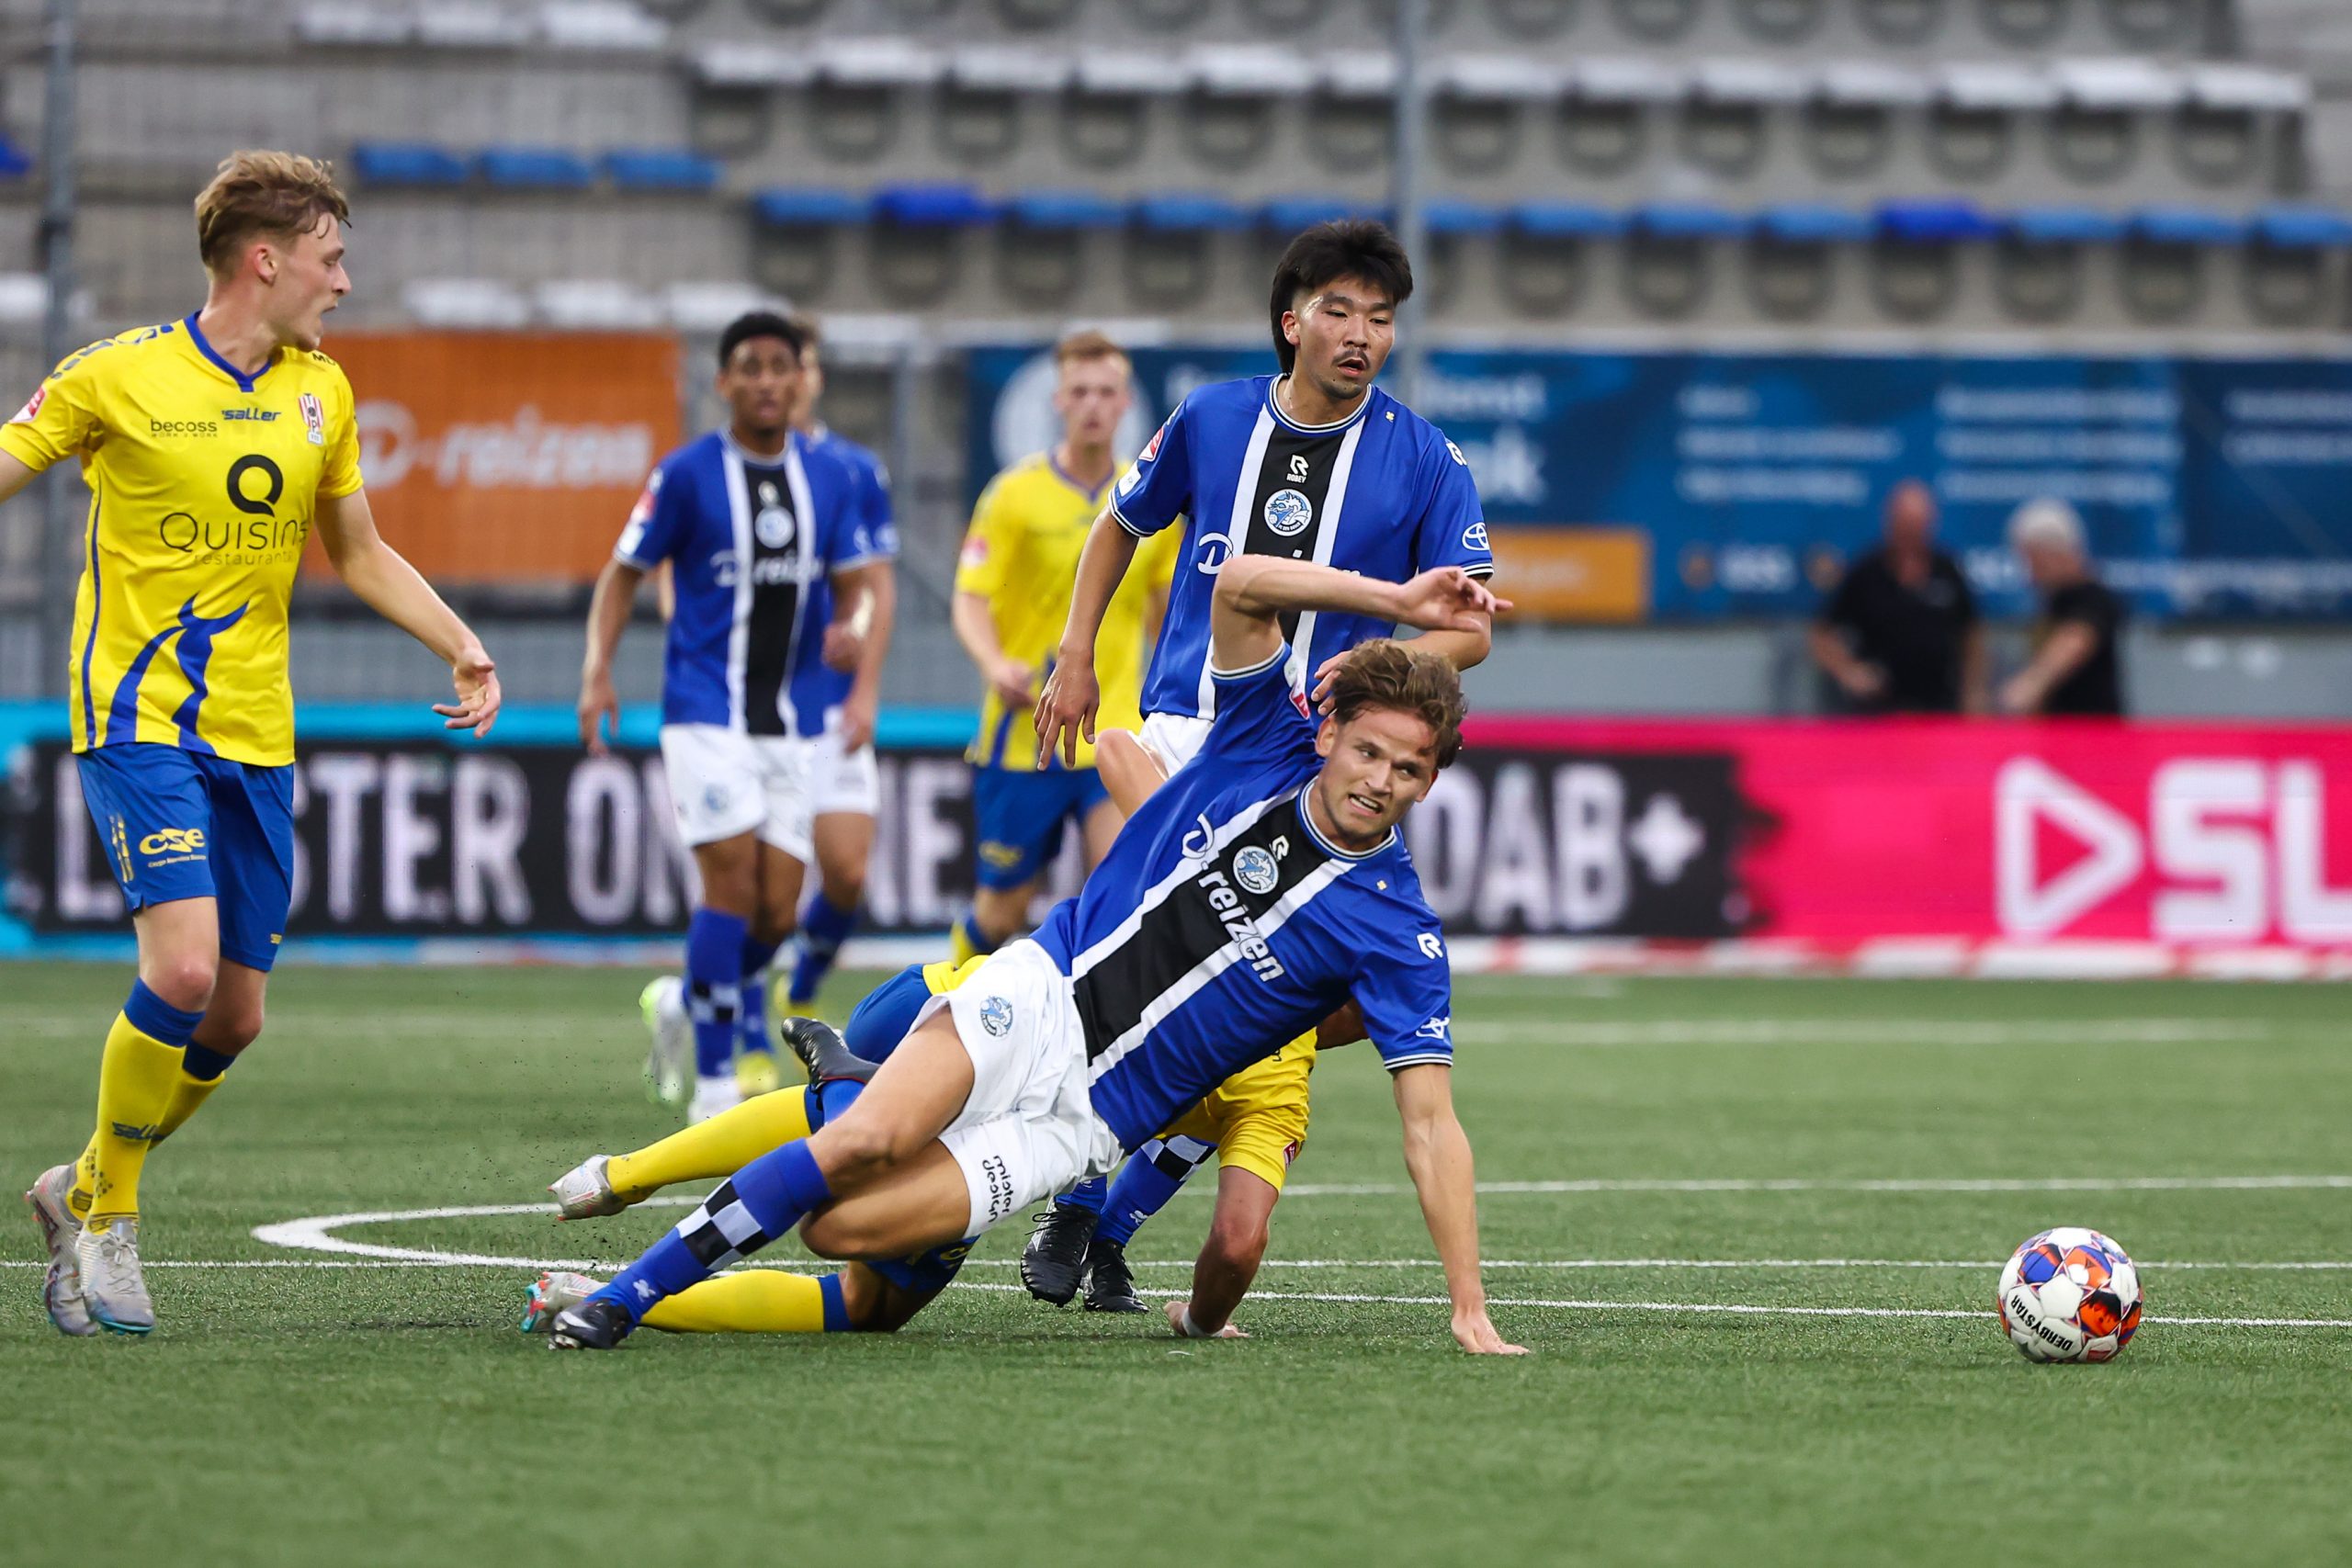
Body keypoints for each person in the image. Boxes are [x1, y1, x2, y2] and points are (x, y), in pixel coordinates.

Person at [535, 555, 1525, 1356]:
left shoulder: (1400, 932)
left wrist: (1467, 1306)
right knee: (858, 1146)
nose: (1381, 781)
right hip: (1037, 998)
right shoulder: (1266, 734)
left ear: (1430, 785)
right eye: (1369, 752)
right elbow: (1237, 586)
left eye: (1409, 769)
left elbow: (1432, 1128)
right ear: (1330, 735)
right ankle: (622, 1299)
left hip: (1087, 1124)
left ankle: (847, 1090)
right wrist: (1393, 601)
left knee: (846, 1241)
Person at [8, 151, 502, 1337]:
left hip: (255, 732)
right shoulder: (115, 376)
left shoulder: (322, 393)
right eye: (331, 257)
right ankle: (112, 1216)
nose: (344, 280)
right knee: (181, 971)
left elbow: (362, 548)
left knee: (233, 1018)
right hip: (136, 719)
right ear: (265, 259)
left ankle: (71, 1185)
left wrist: (462, 641)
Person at [1020, 220, 1496, 1316]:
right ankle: (1053, 1164)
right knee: (1138, 972)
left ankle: (1103, 1205)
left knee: (1304, 1009)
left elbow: (1468, 631)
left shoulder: (1425, 457)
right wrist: (1077, 655)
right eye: (1339, 311)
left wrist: (1378, 673)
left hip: (1326, 756)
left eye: (1380, 319)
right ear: (1291, 320)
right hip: (1203, 723)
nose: (1361, 335)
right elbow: (1118, 527)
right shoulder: (1213, 415)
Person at [578, 312, 890, 1125]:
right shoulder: (685, 474)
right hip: (702, 711)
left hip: (786, 722)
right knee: (730, 885)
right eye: (747, 366)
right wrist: (598, 671)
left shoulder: (829, 478)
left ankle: (688, 1000)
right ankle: (715, 1089)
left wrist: (851, 634)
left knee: (777, 912)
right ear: (724, 382)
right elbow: (622, 574)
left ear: (801, 379)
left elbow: (860, 586)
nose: (764, 380)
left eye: (778, 366)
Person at [947, 330, 1176, 967]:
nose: (1094, 405)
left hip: (1116, 730)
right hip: (1028, 736)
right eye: (1080, 391)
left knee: (1121, 892)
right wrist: (996, 665)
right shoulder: (1013, 495)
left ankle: (1088, 1047)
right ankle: (935, 1009)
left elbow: (1166, 614)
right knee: (1000, 912)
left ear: (1127, 402)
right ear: (1058, 401)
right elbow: (969, 597)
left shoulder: (1151, 496)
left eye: (1107, 391)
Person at [767, 315, 899, 1050]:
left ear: (812, 377)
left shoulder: (852, 470)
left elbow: (875, 586)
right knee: (761, 893)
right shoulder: (717, 468)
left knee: (846, 873)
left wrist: (865, 682)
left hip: (830, 702)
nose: (789, 380)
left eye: (801, 366)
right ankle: (741, 1034)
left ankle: (800, 991)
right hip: (751, 714)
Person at [1808, 479, 1987, 715]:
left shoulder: (1948, 570)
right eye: (1904, 525)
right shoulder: (1867, 572)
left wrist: (1974, 692)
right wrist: (1850, 672)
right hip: (1878, 711)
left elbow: (1971, 635)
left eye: (1917, 525)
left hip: (1940, 709)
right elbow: (1821, 635)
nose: (1910, 533)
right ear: (1890, 522)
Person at [2001, 498, 2127, 717]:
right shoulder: (2053, 601)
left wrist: (2032, 683)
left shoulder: (2092, 597)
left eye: (2033, 561)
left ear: (2053, 553)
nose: (2031, 573)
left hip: (2091, 729)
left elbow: (2075, 640)